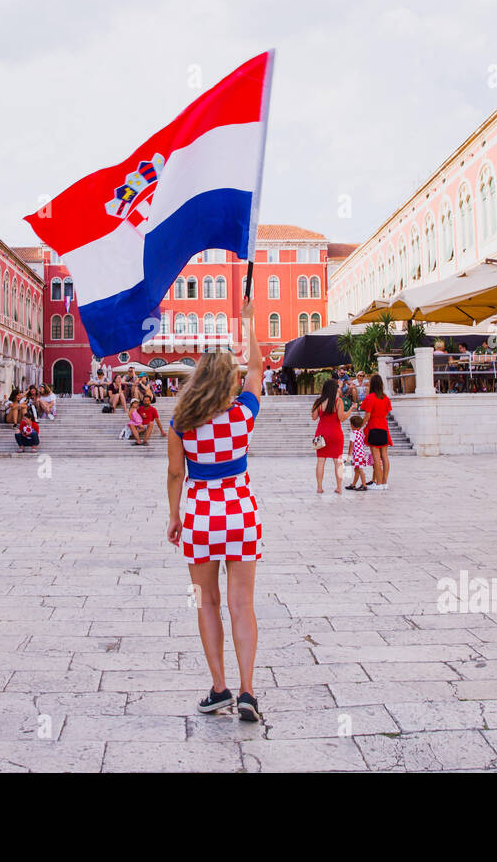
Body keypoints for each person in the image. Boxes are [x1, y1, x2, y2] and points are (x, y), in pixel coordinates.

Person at [166, 295, 264, 723]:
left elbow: (175, 476)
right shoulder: (243, 415)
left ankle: (219, 688)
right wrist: (249, 322)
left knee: (207, 603)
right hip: (240, 515)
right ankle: (247, 692)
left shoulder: (181, 423)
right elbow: (259, 369)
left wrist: (174, 517)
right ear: (229, 382)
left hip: (201, 518)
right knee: (242, 603)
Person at [358, 373, 393, 490]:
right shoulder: (385, 398)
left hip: (373, 428)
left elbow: (367, 415)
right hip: (384, 428)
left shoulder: (370, 398)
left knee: (376, 458)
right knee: (385, 456)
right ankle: (384, 482)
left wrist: (361, 425)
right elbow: (387, 412)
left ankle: (378, 483)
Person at [311, 378, 344, 495]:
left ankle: (319, 487)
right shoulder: (338, 401)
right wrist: (349, 411)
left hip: (320, 434)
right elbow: (341, 418)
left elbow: (314, 417)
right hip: (336, 433)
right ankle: (339, 487)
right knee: (338, 461)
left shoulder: (318, 401)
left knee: (320, 461)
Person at [346, 413, 371, 492]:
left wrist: (348, 455)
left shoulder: (353, 434)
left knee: (360, 469)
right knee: (356, 469)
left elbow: (351, 445)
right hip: (361, 453)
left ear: (352, 425)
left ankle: (364, 485)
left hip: (357, 454)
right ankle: (353, 484)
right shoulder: (360, 432)